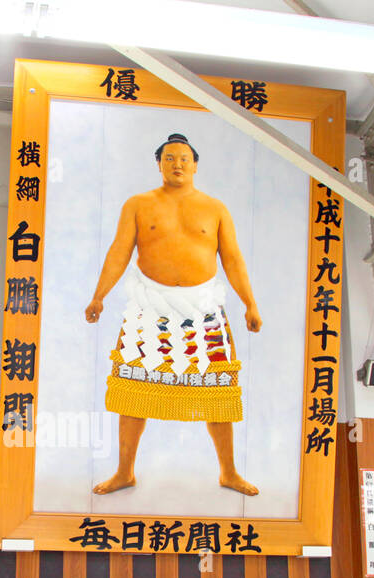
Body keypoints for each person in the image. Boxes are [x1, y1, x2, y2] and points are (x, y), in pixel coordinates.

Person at [84, 133, 263, 496]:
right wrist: (98, 296)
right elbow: (119, 252)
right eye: (169, 158)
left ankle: (228, 472)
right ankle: (124, 472)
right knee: (134, 394)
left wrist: (250, 303)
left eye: (183, 158)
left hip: (205, 311)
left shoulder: (215, 208)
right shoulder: (138, 204)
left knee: (219, 396)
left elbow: (232, 259)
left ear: (195, 164)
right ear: (159, 164)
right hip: (148, 309)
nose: (177, 163)